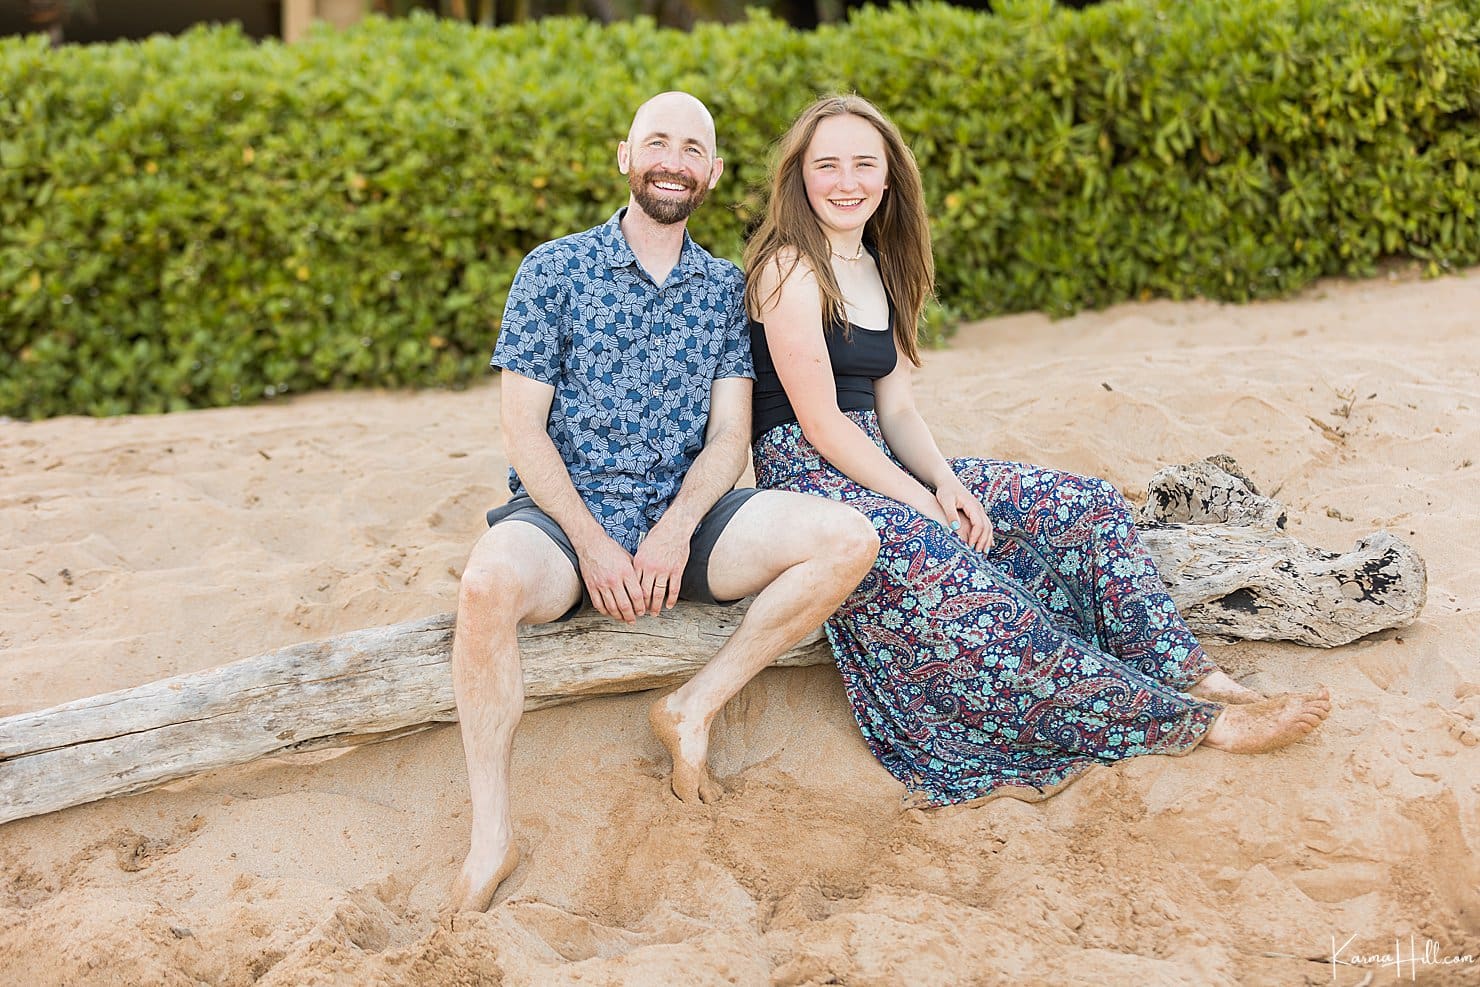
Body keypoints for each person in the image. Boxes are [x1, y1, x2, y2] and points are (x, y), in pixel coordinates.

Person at [743, 94, 1331, 807]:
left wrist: (944, 481)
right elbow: (823, 424)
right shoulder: (788, 268)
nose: (846, 180)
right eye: (826, 164)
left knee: (1086, 505)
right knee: (981, 592)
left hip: (882, 463)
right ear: (799, 177)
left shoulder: (874, 263)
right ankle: (1196, 726)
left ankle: (1187, 672)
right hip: (814, 481)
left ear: (890, 178)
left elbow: (894, 406)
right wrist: (921, 502)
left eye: (864, 163)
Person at [446, 92, 880, 912]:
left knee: (848, 536)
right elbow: (523, 434)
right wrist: (595, 543)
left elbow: (728, 438)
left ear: (712, 174)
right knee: (483, 587)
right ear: (625, 155)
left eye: (692, 149)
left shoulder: (724, 287)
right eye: (658, 143)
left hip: (689, 519)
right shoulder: (553, 270)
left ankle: (692, 705)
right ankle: (491, 836)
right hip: (566, 523)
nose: (673, 160)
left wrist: (678, 528)